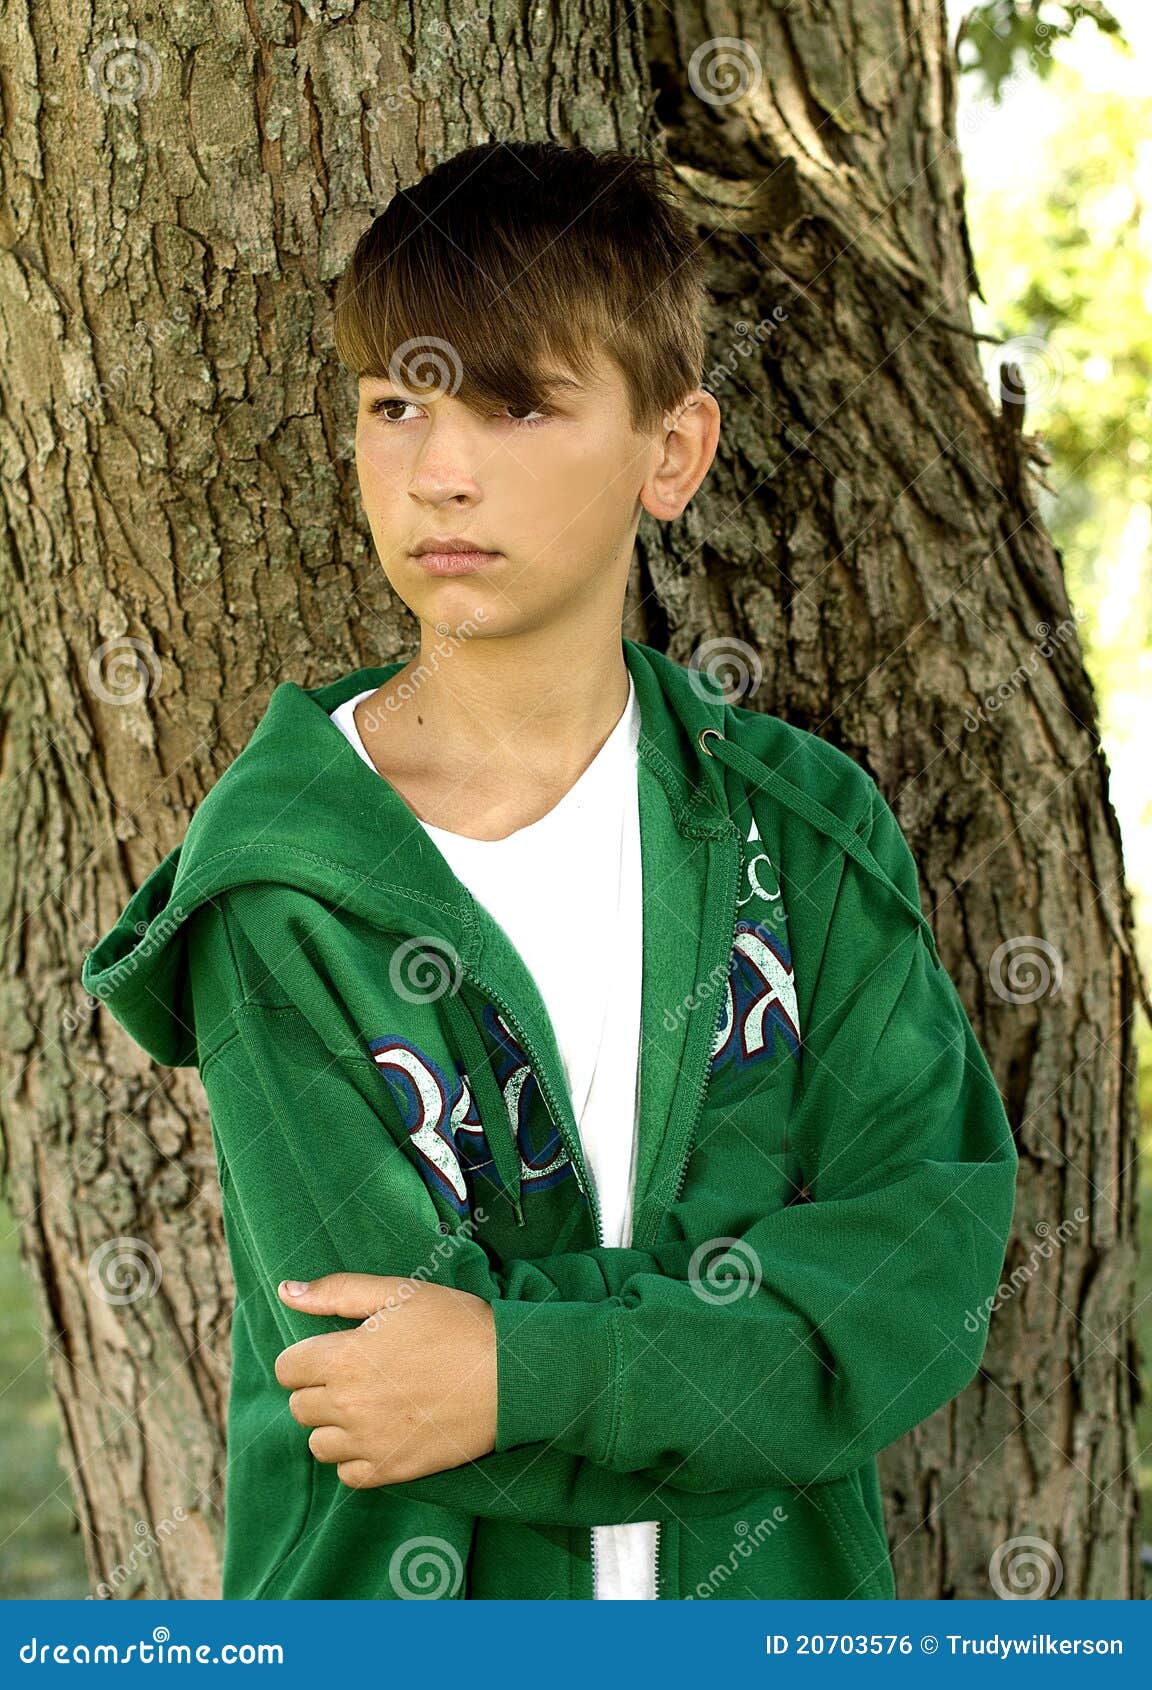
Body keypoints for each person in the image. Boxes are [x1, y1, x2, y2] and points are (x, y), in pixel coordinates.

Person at [81, 139, 1018, 1602]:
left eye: (518, 405)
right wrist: (759, 1350)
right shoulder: (279, 885)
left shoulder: (795, 832)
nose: (439, 471)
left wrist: (518, 1368)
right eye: (395, 404)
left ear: (672, 452)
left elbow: (918, 1276)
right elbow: (382, 1393)